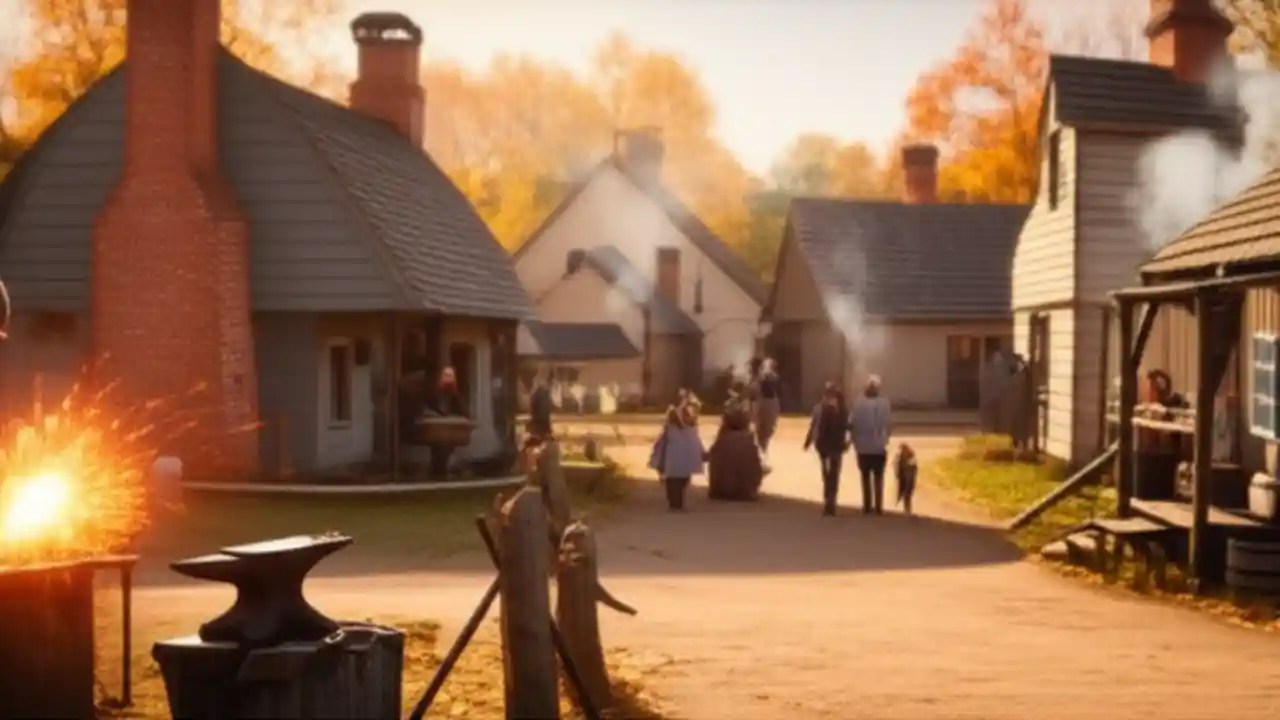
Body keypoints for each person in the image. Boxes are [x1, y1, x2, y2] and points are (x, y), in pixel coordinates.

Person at [649, 391, 706, 511]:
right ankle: (675, 504)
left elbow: (690, 423)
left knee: (681, 479)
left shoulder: (687, 412)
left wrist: (692, 408)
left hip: (682, 452)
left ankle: (677, 504)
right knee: (675, 480)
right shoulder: (674, 412)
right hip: (674, 452)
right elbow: (680, 423)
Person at [803, 382, 849, 516]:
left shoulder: (819, 408)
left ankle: (827, 500)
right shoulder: (843, 409)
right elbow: (847, 428)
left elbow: (814, 426)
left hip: (823, 446)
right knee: (834, 474)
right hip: (837, 446)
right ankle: (832, 500)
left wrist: (808, 441)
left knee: (826, 474)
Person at [849, 374, 892, 515]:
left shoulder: (858, 403)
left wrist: (853, 441)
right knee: (878, 477)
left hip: (863, 447)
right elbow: (888, 424)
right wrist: (886, 439)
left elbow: (852, 424)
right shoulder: (884, 404)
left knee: (865, 476)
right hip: (879, 446)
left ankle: (867, 505)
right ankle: (878, 507)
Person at [428, 366, 468, 478]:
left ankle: (441, 472)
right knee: (438, 450)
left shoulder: (455, 396)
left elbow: (462, 410)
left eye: (450, 377)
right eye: (446, 377)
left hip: (450, 430)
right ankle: (437, 472)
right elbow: (431, 407)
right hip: (437, 429)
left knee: (444, 450)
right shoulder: (435, 395)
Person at [754, 358, 782, 459]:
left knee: (766, 430)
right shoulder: (762, 377)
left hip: (768, 402)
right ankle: (762, 453)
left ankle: (762, 452)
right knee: (762, 430)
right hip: (765, 402)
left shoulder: (772, 377)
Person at [525, 370, 554, 448]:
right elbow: (544, 412)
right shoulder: (543, 393)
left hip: (538, 427)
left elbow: (534, 409)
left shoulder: (539, 393)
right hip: (540, 427)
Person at [894, 442, 918, 516]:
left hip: (908, 477)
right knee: (905, 493)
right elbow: (896, 466)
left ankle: (907, 509)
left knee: (907, 493)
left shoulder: (911, 456)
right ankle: (907, 509)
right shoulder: (899, 456)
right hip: (903, 477)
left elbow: (914, 468)